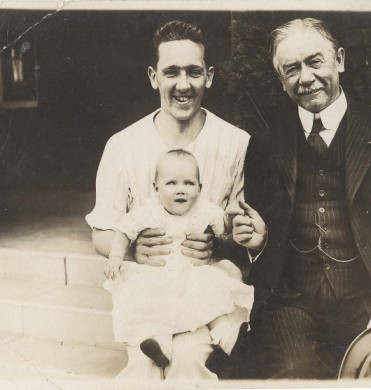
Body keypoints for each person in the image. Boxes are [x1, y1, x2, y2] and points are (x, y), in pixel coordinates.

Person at [229, 17, 371, 379]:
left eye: (315, 62)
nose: (305, 78)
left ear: (340, 60)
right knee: (290, 373)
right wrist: (259, 241)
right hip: (295, 304)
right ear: (281, 79)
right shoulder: (267, 145)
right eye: (291, 69)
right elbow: (263, 241)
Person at [85, 20, 250, 382]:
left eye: (193, 72)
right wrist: (132, 250)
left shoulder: (236, 143)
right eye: (171, 72)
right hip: (150, 292)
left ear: (209, 76)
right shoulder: (122, 145)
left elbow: (242, 233)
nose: (183, 84)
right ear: (153, 77)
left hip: (202, 291)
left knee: (189, 360)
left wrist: (219, 243)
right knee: (145, 364)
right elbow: (102, 232)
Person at [104, 150, 253, 375]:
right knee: (153, 306)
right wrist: (116, 257)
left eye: (189, 183)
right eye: (171, 183)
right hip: (159, 274)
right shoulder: (148, 211)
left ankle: (226, 335)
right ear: (156, 188)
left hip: (191, 273)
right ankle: (160, 344)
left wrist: (231, 219)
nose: (181, 189)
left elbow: (223, 230)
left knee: (213, 293)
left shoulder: (205, 210)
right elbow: (124, 231)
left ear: (200, 188)